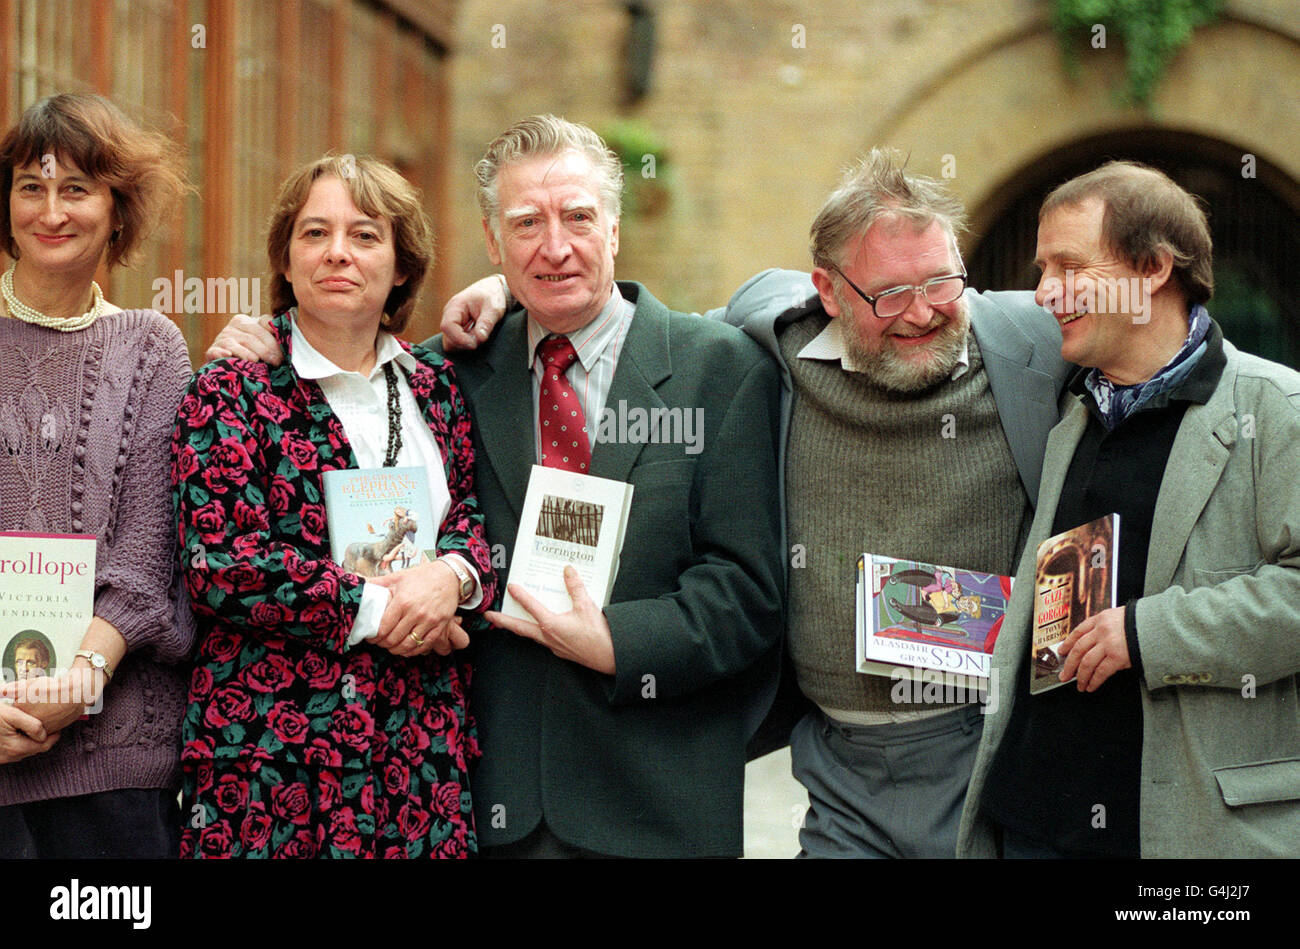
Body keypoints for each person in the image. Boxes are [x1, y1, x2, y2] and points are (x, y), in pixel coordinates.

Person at [435, 148, 1072, 858]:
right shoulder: (771, 340)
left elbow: (1149, 341)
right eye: (889, 293)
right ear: (827, 291)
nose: (921, 312)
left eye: (942, 281)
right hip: (838, 765)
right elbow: (606, 311)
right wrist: (513, 288)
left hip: (982, 740)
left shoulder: (1032, 343)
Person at [206, 116, 784, 859]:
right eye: (526, 223)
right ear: (492, 241)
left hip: (657, 804)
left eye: (577, 217)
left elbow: (750, 591)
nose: (555, 245)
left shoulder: (721, 370)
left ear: (613, 226)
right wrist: (263, 339)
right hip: (486, 804)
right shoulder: (442, 376)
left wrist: (617, 642)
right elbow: (341, 477)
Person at [958, 162, 1300, 858]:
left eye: (1069, 267)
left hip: (1180, 834)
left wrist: (1146, 634)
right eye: (1040, 268)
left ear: (1151, 269)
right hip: (1031, 824)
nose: (1045, 293)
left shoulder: (1278, 408)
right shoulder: (1072, 414)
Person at [173, 154, 496, 859]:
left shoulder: (437, 387)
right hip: (272, 768)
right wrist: (388, 610)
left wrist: (453, 580)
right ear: (285, 263)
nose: (338, 253)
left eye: (365, 235)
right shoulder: (232, 388)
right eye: (314, 233)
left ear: (403, 265)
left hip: (421, 760)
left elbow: (471, 519)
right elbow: (222, 561)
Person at [0, 93, 195, 859]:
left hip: (112, 764)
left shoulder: (151, 348)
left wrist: (76, 681)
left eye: (76, 187)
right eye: (30, 185)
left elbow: (149, 554)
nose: (51, 209)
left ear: (118, 208)